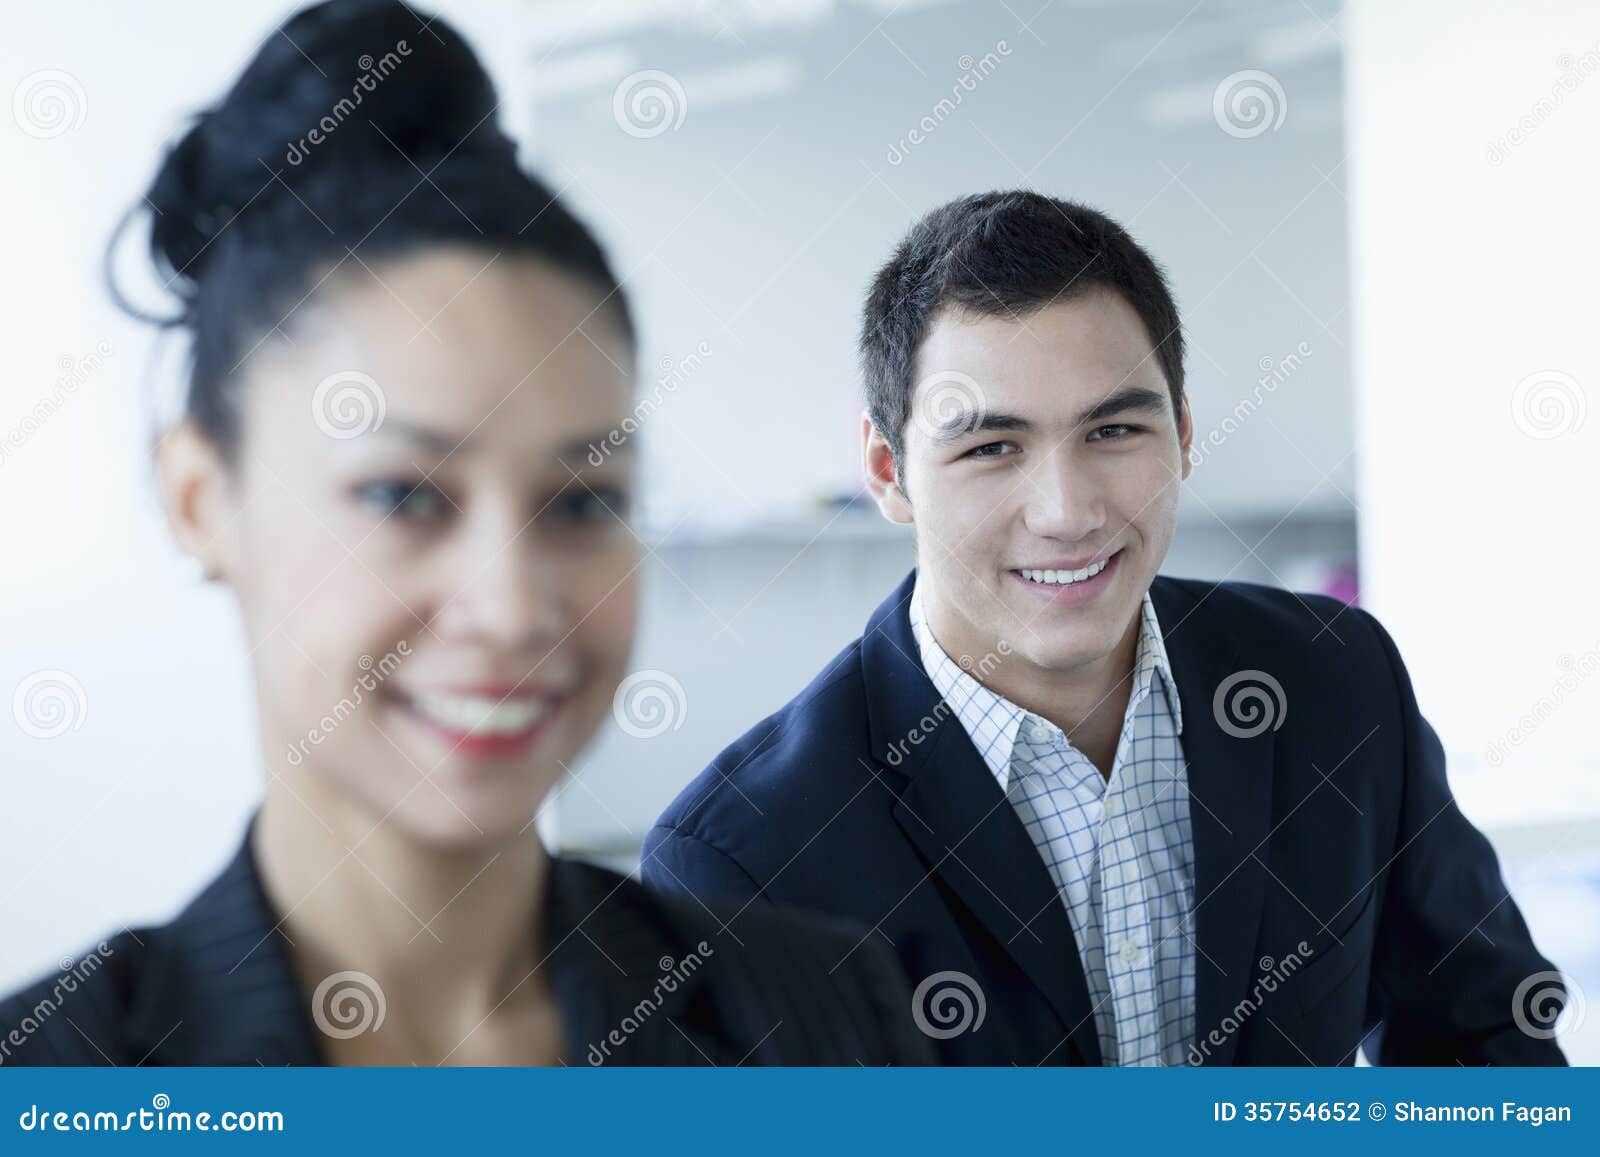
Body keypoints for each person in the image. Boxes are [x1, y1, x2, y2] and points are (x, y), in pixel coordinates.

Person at [0, 0, 930, 1068]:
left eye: (581, 501)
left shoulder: (820, 1019)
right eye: (403, 496)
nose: (512, 602)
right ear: (201, 499)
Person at [643, 190, 1569, 1067]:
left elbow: (1487, 1042)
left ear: (1185, 435)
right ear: (888, 471)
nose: (1067, 510)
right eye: (991, 447)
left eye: (1113, 432)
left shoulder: (1335, 677)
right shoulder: (741, 858)